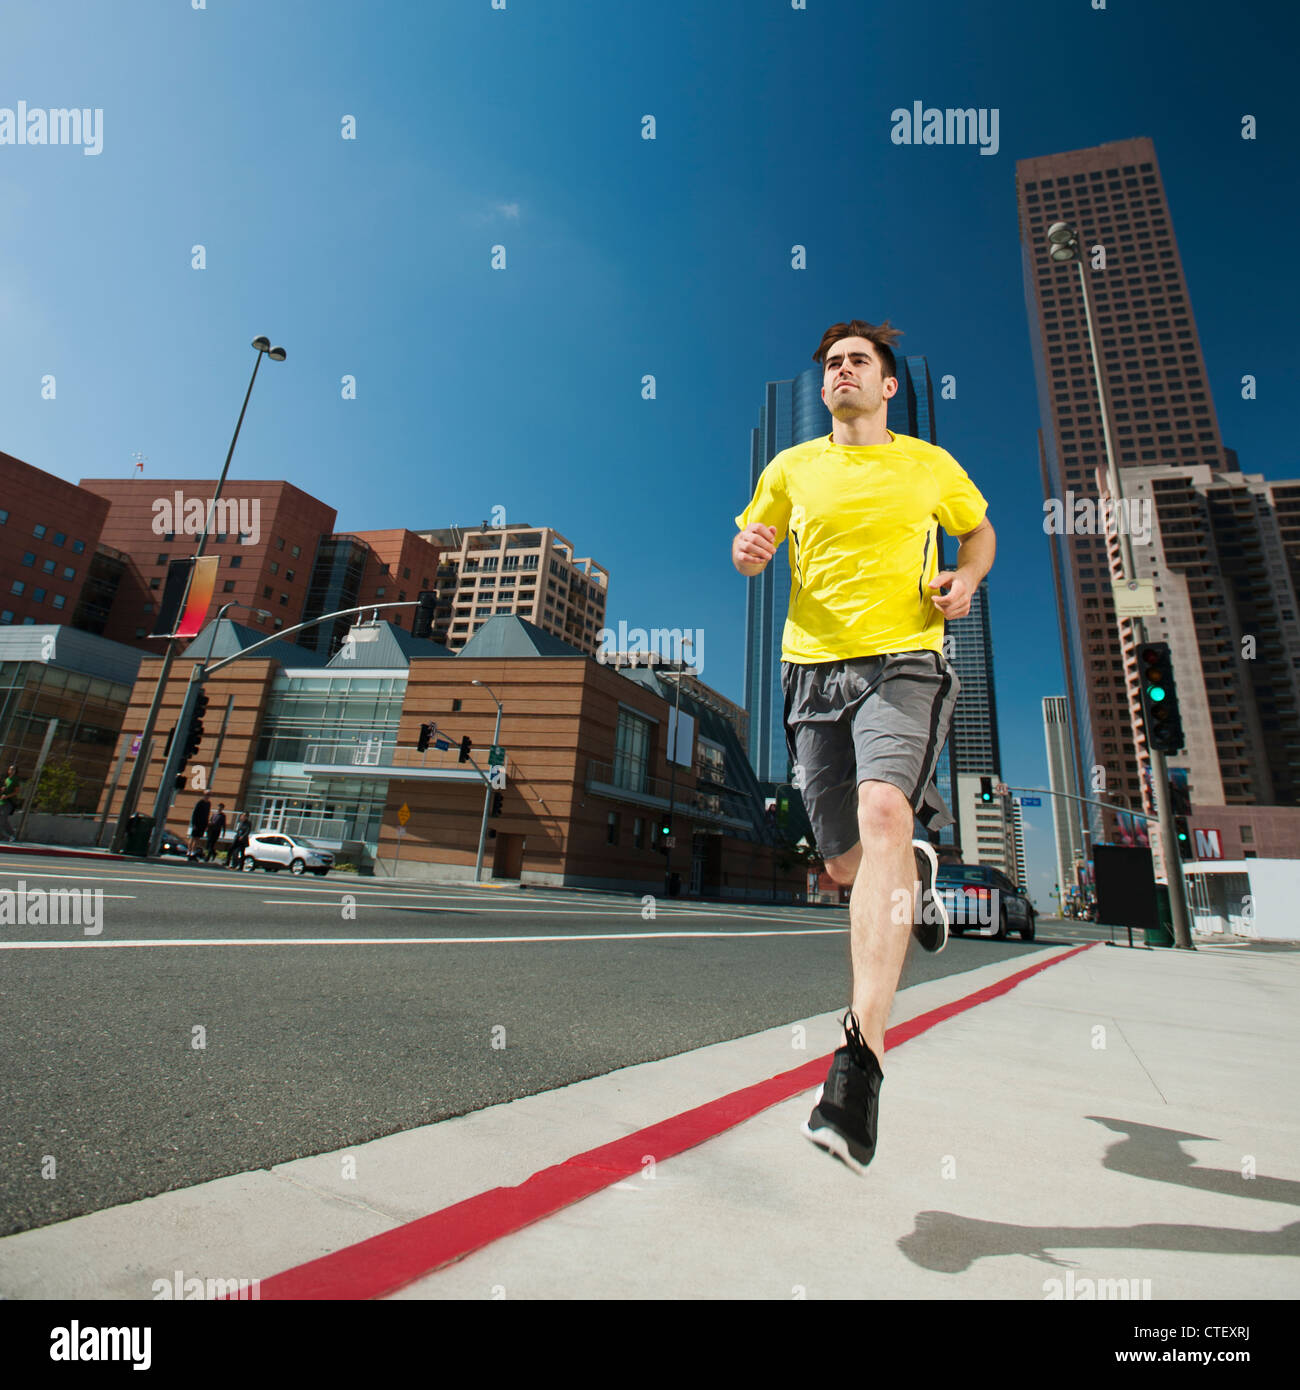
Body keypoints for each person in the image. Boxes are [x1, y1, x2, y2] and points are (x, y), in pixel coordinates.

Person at [732, 318, 995, 1174]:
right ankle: (909, 878)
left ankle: (859, 1064)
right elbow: (750, 550)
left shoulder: (927, 464)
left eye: (859, 362)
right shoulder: (790, 467)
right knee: (845, 866)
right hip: (810, 672)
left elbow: (978, 532)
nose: (842, 371)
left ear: (887, 386)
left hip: (904, 661)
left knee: (884, 811)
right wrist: (747, 550)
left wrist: (967, 576)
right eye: (833, 364)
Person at [0, 765, 21, 842]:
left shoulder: (15, 779)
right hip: (2, 801)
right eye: (10, 769)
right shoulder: (7, 779)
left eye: (13, 770)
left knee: (2, 819)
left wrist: (7, 796)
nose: (11, 771)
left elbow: (17, 792)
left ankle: (8, 836)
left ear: (15, 771)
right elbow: (4, 790)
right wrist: (2, 790)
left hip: (9, 802)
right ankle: (11, 835)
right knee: (3, 820)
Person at [188, 794, 211, 860]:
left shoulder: (208, 804)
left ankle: (193, 853)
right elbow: (195, 813)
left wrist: (206, 825)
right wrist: (194, 824)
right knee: (193, 838)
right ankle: (189, 852)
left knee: (197, 839)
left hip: (203, 824)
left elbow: (207, 815)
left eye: (209, 795)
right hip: (197, 823)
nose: (207, 796)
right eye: (206, 795)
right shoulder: (200, 803)